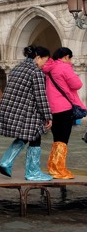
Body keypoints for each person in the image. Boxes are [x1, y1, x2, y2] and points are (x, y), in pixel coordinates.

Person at [0, 46, 53, 181]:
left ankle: (6, 162)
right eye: (45, 60)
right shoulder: (36, 72)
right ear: (37, 58)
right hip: (28, 112)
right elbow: (40, 96)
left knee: (28, 135)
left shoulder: (16, 69)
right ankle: (33, 172)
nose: (45, 63)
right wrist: (48, 116)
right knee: (35, 136)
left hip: (14, 109)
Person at [42, 47, 81, 179]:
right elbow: (77, 84)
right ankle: (59, 169)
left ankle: (53, 167)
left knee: (56, 139)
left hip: (51, 109)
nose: (70, 61)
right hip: (64, 108)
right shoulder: (64, 67)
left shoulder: (49, 68)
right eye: (69, 58)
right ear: (65, 57)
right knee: (63, 140)